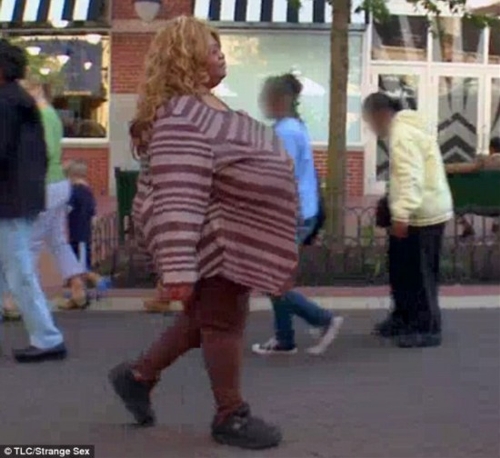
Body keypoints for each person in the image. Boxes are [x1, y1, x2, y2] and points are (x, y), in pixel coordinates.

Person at [108, 16, 298, 450]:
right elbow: (179, 194)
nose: (221, 55)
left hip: (233, 236)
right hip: (215, 241)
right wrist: (177, 268)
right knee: (223, 323)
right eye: (211, 49)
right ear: (186, 57)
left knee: (206, 319)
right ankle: (230, 414)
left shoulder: (208, 107)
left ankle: (138, 376)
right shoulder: (182, 117)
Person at [252, 73, 343, 356]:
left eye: (266, 97)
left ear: (281, 100)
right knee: (275, 277)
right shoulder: (291, 127)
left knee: (272, 279)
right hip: (299, 212)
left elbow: (281, 176)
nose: (262, 102)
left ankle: (322, 319)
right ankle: (284, 338)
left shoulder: (286, 132)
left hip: (290, 214)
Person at [363, 92, 453, 348]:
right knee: (401, 270)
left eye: (369, 121)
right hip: (420, 212)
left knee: (419, 274)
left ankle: (427, 328)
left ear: (381, 115)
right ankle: (403, 318)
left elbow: (410, 176)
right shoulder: (404, 131)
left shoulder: (402, 135)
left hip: (422, 217)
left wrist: (402, 214)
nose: (370, 128)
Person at [0, 39, 66, 362]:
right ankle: (46, 336)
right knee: (11, 270)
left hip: (8, 200)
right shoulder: (21, 101)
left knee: (19, 272)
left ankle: (47, 337)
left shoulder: (5, 103)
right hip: (20, 197)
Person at [1, 76, 90, 317]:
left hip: (45, 187)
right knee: (57, 240)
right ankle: (78, 288)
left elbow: (44, 152)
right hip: (58, 184)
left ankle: (16, 301)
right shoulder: (52, 116)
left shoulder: (41, 117)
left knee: (27, 244)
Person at [129, 120, 171, 314]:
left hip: (150, 203)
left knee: (158, 251)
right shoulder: (154, 149)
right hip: (149, 203)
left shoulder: (153, 150)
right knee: (158, 251)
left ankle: (164, 293)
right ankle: (165, 291)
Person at [63, 159, 111, 304]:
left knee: (79, 266)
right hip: (85, 233)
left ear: (71, 176)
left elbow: (67, 209)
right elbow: (93, 212)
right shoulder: (88, 192)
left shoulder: (74, 192)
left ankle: (97, 281)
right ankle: (80, 290)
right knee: (81, 263)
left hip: (77, 233)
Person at [446, 137, 500, 238]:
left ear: (491, 149)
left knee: (454, 203)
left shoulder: (484, 161)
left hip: (481, 203)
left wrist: (444, 167)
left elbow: (467, 168)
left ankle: (467, 226)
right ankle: (497, 224)